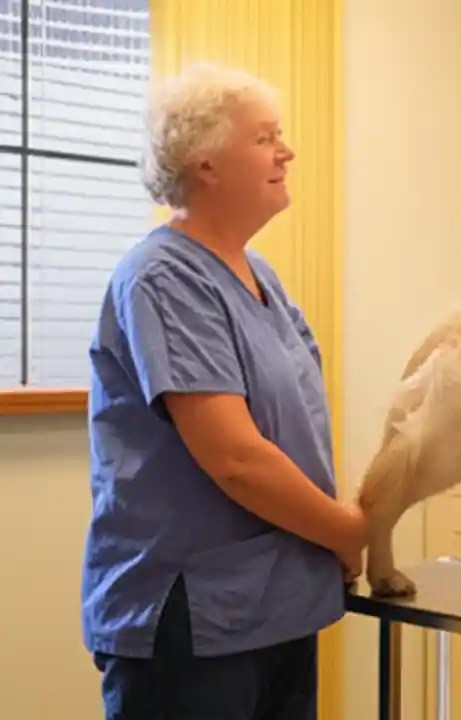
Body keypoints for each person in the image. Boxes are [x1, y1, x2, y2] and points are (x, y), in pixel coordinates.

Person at [81, 63, 366, 719]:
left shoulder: (257, 273)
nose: (287, 151)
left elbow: (292, 432)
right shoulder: (160, 277)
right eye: (266, 138)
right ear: (205, 163)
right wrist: (348, 531)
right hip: (194, 621)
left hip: (280, 607)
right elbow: (237, 458)